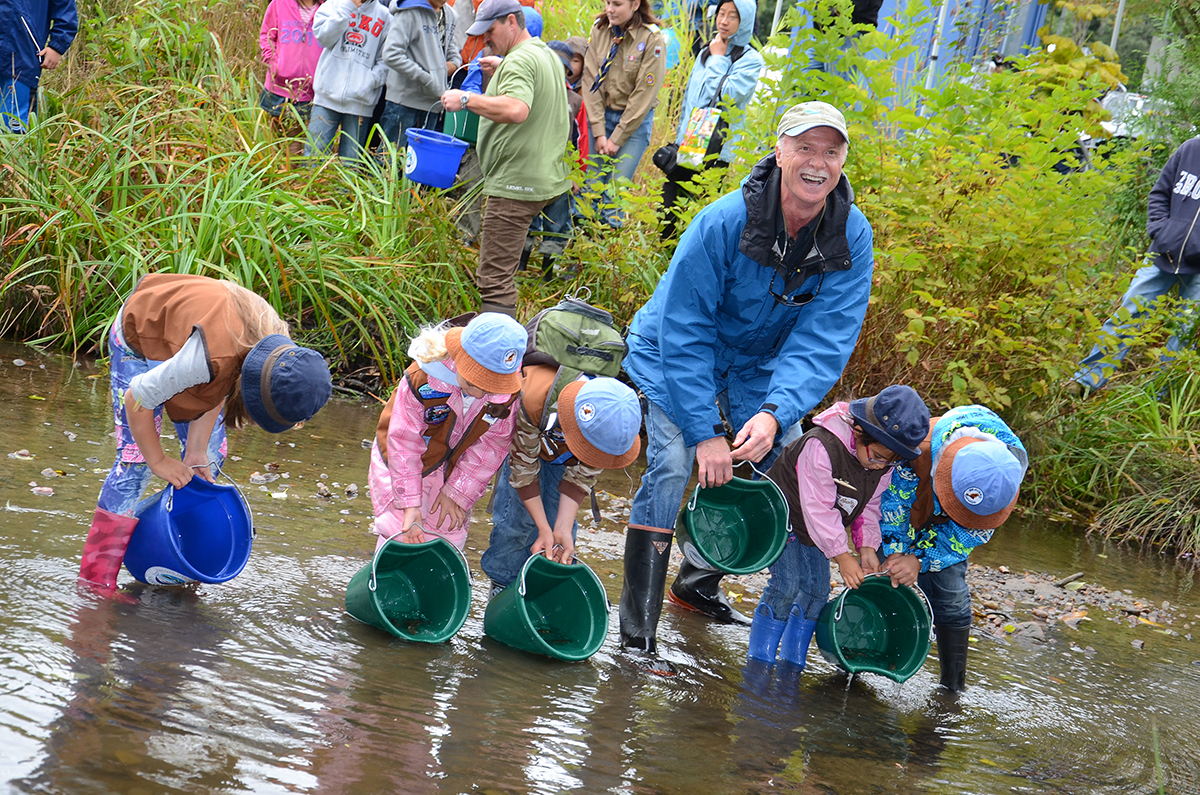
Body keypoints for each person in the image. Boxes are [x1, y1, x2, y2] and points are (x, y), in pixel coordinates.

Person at [618, 101, 875, 674]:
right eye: (804, 148)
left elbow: (824, 339)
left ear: (842, 162)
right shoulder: (723, 221)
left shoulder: (851, 235)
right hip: (672, 353)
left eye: (831, 152)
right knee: (675, 461)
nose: (817, 163)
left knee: (781, 461)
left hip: (760, 371)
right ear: (779, 152)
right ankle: (636, 638)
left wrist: (777, 412)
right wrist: (706, 431)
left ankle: (696, 583)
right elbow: (685, 330)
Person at [79, 274, 334, 592]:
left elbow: (222, 385)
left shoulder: (277, 354)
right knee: (136, 464)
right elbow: (138, 399)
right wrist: (158, 460)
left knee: (208, 460)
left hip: (204, 350)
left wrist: (196, 450)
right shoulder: (209, 360)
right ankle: (95, 581)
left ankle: (180, 565)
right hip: (141, 334)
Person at [747, 385, 930, 667]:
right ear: (859, 431)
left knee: (818, 590)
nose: (881, 466)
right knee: (787, 584)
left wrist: (866, 547)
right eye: (878, 457)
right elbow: (817, 508)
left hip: (817, 531)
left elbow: (869, 505)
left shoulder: (883, 463)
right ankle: (759, 661)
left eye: (891, 461)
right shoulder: (821, 446)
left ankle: (792, 662)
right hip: (782, 516)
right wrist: (843, 557)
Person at [879, 404, 1027, 692]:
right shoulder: (917, 448)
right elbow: (893, 503)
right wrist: (897, 552)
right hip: (911, 501)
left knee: (952, 598)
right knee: (888, 579)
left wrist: (920, 560)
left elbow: (967, 535)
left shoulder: (1005, 475)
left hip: (950, 531)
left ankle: (953, 686)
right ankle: (872, 662)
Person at [439, 0, 571, 317]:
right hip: (539, 176)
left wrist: (466, 98)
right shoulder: (543, 54)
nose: (485, 40)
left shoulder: (520, 62)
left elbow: (516, 109)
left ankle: (496, 358)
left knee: (494, 279)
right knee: (503, 271)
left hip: (515, 183)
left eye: (490, 31)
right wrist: (502, 69)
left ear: (512, 22)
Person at [368, 313, 525, 550]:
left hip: (456, 466)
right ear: (458, 356)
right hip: (402, 461)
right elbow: (404, 442)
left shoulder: (506, 396)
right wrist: (410, 503)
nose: (480, 394)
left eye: (491, 387)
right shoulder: (422, 378)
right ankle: (384, 573)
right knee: (401, 526)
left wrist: (458, 493)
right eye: (473, 383)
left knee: (448, 529)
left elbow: (491, 447)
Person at [482, 373, 641, 594]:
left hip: (563, 452)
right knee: (517, 522)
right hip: (533, 439)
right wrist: (543, 528)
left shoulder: (614, 428)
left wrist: (560, 529)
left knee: (560, 532)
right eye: (589, 449)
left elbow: (582, 476)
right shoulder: (535, 401)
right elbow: (523, 472)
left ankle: (548, 591)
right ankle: (502, 586)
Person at [1070, 136, 1200, 394]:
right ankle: (1086, 383)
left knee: (1184, 332)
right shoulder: (1191, 148)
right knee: (1127, 314)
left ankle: (1158, 398)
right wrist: (1160, 232)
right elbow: (1160, 193)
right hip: (1164, 253)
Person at [660, 0, 763, 239]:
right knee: (667, 214)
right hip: (689, 144)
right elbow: (690, 100)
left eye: (733, 16)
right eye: (721, 14)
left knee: (701, 219)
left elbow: (725, 96)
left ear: (745, 21)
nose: (724, 21)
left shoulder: (749, 60)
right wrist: (679, 137)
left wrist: (718, 59)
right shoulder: (707, 50)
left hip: (715, 152)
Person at [580, 0, 666, 227]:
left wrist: (617, 137)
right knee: (589, 188)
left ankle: (605, 256)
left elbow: (644, 95)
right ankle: (577, 257)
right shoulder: (600, 29)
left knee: (614, 194)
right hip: (600, 114)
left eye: (617, 4)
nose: (610, 9)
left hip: (633, 125)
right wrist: (599, 132)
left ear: (636, 4)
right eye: (607, 2)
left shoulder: (651, 38)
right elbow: (591, 81)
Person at [305, 0, 392, 160]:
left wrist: (369, 81)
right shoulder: (334, 4)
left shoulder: (385, 16)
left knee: (350, 164)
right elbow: (323, 37)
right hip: (326, 95)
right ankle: (310, 186)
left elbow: (386, 60)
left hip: (361, 103)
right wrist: (348, 7)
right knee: (313, 158)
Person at [379, 0, 460, 151]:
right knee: (389, 162)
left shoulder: (450, 15)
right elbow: (391, 54)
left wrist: (448, 67)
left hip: (433, 105)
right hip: (403, 103)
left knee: (417, 165)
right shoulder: (409, 10)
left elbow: (453, 51)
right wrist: (427, 78)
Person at [1, 0, 77, 132]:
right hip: (21, 51)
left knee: (15, 125)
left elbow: (65, 7)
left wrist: (57, 46)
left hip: (22, 56)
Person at [259, 0, 325, 136]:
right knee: (272, 138)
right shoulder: (280, 4)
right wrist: (274, 64)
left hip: (307, 91)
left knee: (294, 141)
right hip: (277, 86)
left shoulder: (326, 9)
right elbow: (267, 35)